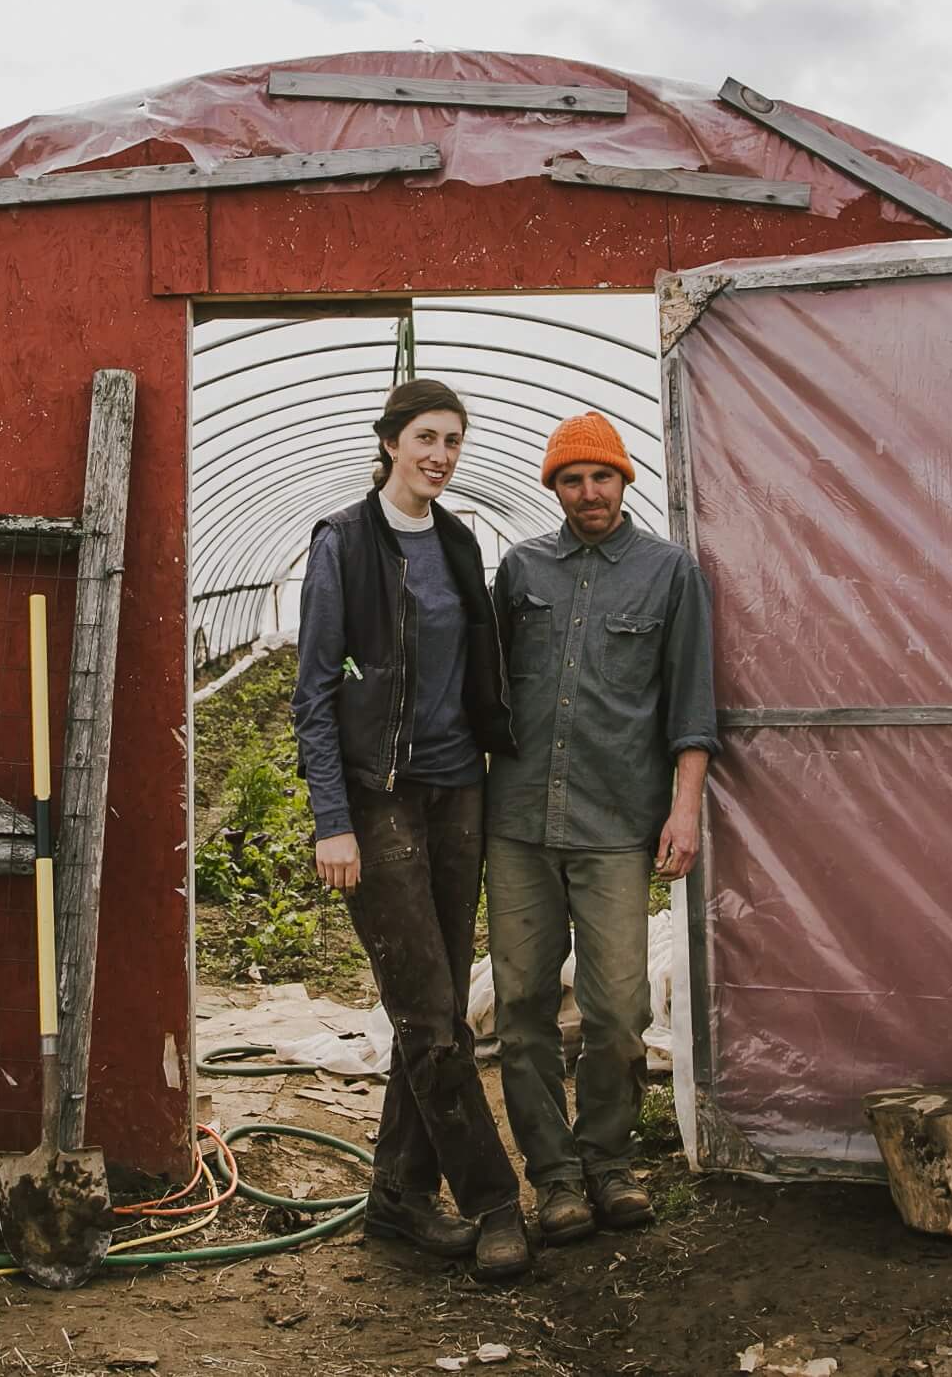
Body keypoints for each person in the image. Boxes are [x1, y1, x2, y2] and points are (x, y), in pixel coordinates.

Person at [290, 378, 531, 1282]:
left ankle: (395, 1199)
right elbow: (313, 692)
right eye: (426, 437)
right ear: (390, 442)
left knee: (427, 1009)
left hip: (455, 788)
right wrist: (332, 821)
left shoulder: (462, 542)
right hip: (380, 796)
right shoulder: (345, 544)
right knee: (434, 1018)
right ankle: (494, 1204)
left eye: (454, 441)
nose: (441, 455)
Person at [486, 410, 717, 1245]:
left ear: (625, 481)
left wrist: (684, 807)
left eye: (603, 476)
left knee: (617, 1011)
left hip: (618, 823)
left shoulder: (668, 573)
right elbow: (484, 691)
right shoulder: (520, 571)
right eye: (573, 479)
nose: (590, 491)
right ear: (555, 487)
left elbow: (692, 705)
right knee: (522, 1008)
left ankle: (608, 1160)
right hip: (516, 823)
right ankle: (552, 1178)